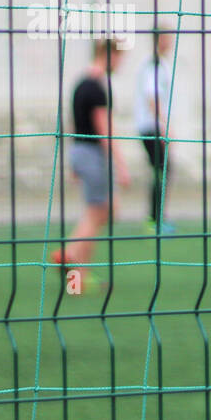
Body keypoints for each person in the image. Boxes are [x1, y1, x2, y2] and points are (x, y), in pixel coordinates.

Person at [52, 36, 131, 279]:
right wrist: (121, 165)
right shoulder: (96, 88)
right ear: (109, 55)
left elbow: (75, 123)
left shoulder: (80, 84)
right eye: (120, 58)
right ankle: (69, 252)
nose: (120, 65)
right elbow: (104, 129)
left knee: (100, 210)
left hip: (79, 152)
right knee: (100, 211)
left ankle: (80, 276)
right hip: (93, 154)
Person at [135, 22, 177, 234]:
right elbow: (152, 97)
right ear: (159, 39)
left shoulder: (159, 63)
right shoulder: (154, 64)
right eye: (168, 36)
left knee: (162, 170)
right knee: (162, 170)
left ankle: (157, 218)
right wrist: (164, 127)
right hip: (151, 128)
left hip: (152, 127)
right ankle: (155, 220)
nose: (172, 40)